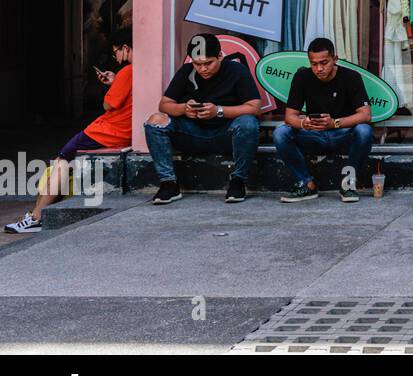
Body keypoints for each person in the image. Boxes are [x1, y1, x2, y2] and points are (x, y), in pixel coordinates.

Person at [5, 29, 133, 234]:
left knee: (62, 160)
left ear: (126, 48)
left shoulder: (128, 71)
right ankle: (37, 214)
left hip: (105, 132)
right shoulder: (137, 71)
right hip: (118, 132)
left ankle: (36, 217)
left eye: (116, 52)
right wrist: (115, 80)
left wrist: (114, 84)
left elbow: (108, 104)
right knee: (65, 163)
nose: (116, 57)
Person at [144, 33, 263, 205]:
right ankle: (168, 183)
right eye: (197, 64)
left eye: (208, 63)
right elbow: (164, 104)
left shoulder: (236, 71)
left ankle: (238, 181)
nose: (203, 69)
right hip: (193, 133)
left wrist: (218, 111)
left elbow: (254, 107)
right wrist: (184, 109)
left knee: (248, 123)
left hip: (226, 134)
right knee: (155, 120)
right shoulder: (186, 71)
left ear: (220, 56)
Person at [273, 37, 374, 203]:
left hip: (342, 133)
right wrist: (303, 123)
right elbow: (290, 116)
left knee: (364, 131)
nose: (319, 68)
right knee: (280, 132)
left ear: (335, 59)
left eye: (324, 63)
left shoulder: (350, 77)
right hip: (313, 134)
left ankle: (348, 183)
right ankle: (306, 184)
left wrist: (334, 122)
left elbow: (365, 115)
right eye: (314, 64)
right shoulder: (302, 77)